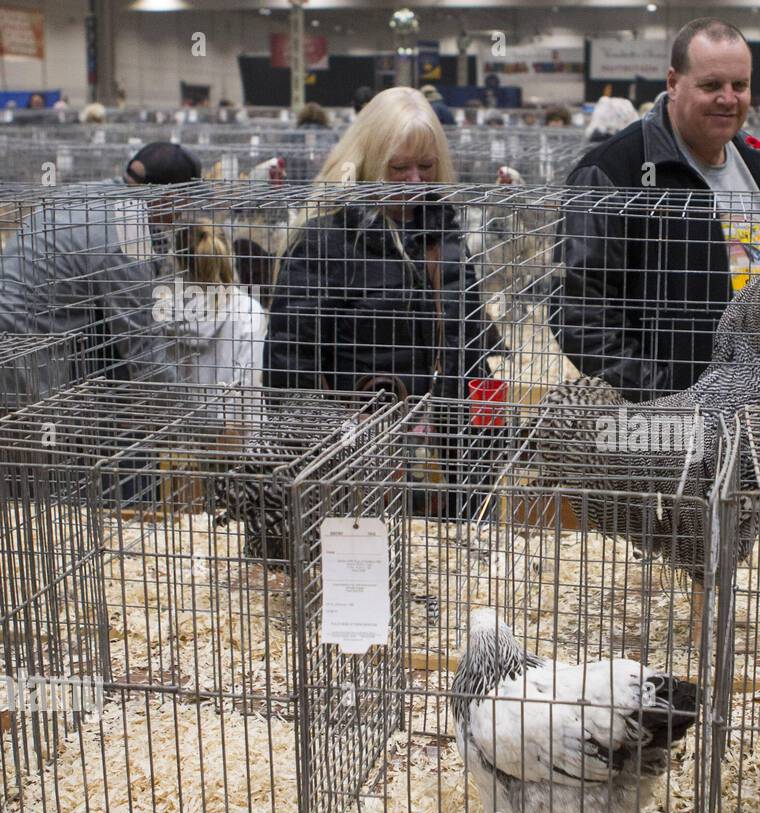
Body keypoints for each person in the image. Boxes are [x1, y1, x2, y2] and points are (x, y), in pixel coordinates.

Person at [264, 86, 500, 514]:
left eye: (426, 167)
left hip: (437, 455)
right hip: (348, 459)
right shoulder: (324, 241)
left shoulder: (444, 240)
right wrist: (308, 450)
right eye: (399, 168)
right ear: (371, 164)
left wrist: (481, 450)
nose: (415, 182)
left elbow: (469, 352)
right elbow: (290, 364)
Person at [555, 17, 760, 402]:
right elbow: (580, 310)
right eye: (711, 85)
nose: (728, 98)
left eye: (740, 85)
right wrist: (664, 396)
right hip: (671, 420)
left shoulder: (759, 166)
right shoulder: (615, 170)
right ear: (672, 83)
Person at [0, 142, 206, 397]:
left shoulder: (87, 193)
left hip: (19, 330)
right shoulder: (126, 235)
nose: (182, 214)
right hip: (27, 354)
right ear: (168, 199)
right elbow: (143, 350)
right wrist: (203, 424)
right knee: (30, 428)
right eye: (184, 203)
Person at [165, 221, 268, 387]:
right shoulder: (248, 310)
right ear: (228, 255)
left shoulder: (166, 310)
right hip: (229, 410)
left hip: (179, 411)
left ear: (178, 262)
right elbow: (248, 384)